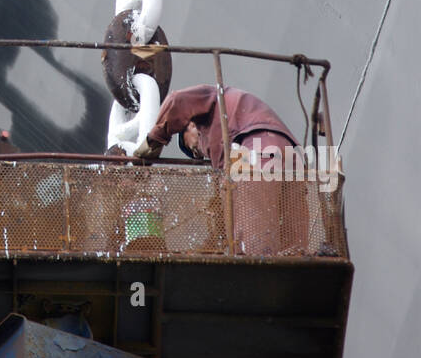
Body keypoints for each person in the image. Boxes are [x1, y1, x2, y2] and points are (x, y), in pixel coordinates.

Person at [131, 85, 309, 256]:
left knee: (252, 241)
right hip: (293, 154)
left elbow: (177, 99)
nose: (199, 152)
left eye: (192, 148)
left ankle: (257, 276)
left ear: (190, 125)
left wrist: (156, 138)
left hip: (256, 148)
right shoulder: (228, 129)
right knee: (294, 244)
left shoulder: (213, 102)